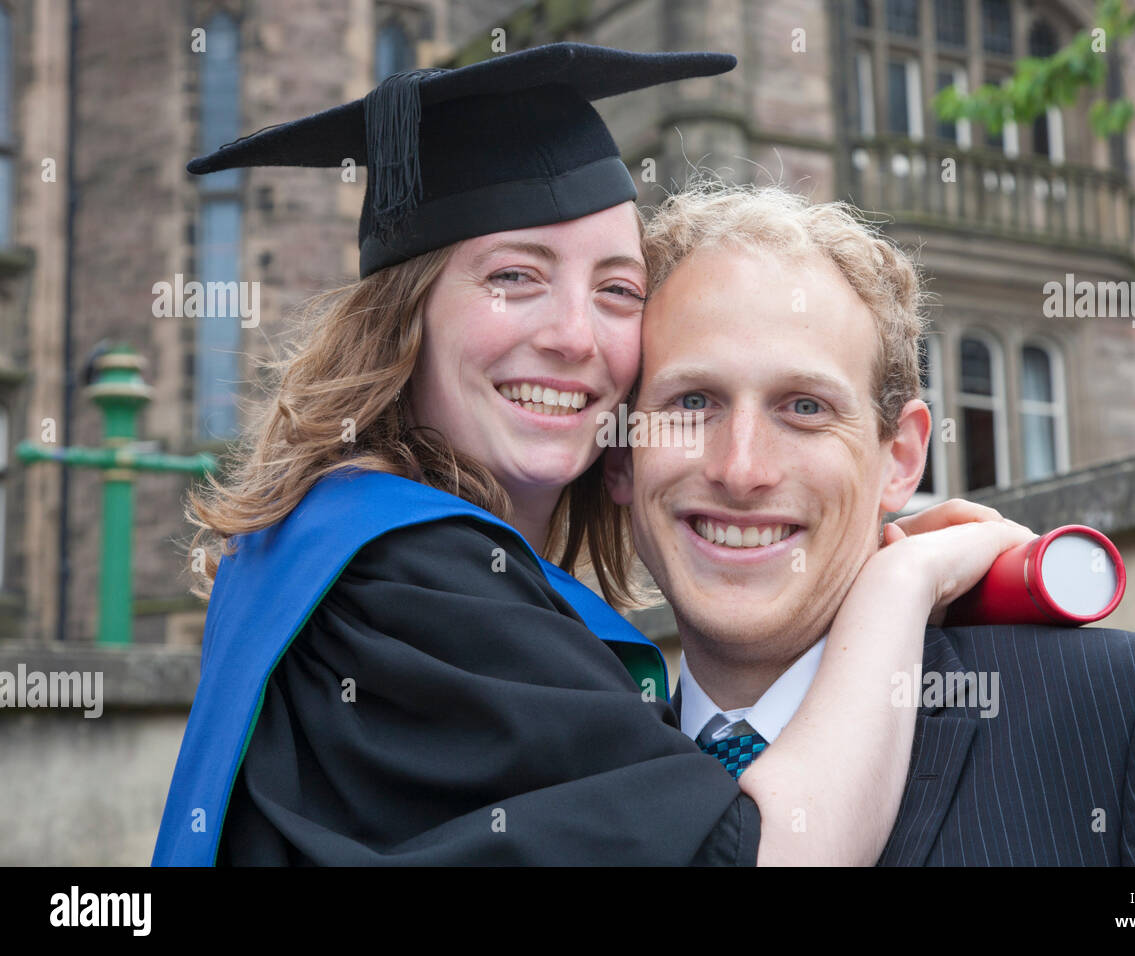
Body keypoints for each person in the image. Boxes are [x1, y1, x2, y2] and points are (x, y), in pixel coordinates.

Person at [152, 44, 1032, 867]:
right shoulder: (403, 578)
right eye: (514, 277)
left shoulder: (346, 559)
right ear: (405, 318)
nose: (574, 336)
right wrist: (899, 583)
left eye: (617, 290)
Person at [606, 179, 1135, 864]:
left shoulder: (1127, 712)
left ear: (901, 458)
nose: (742, 468)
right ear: (619, 459)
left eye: (805, 408)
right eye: (692, 402)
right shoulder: (576, 776)